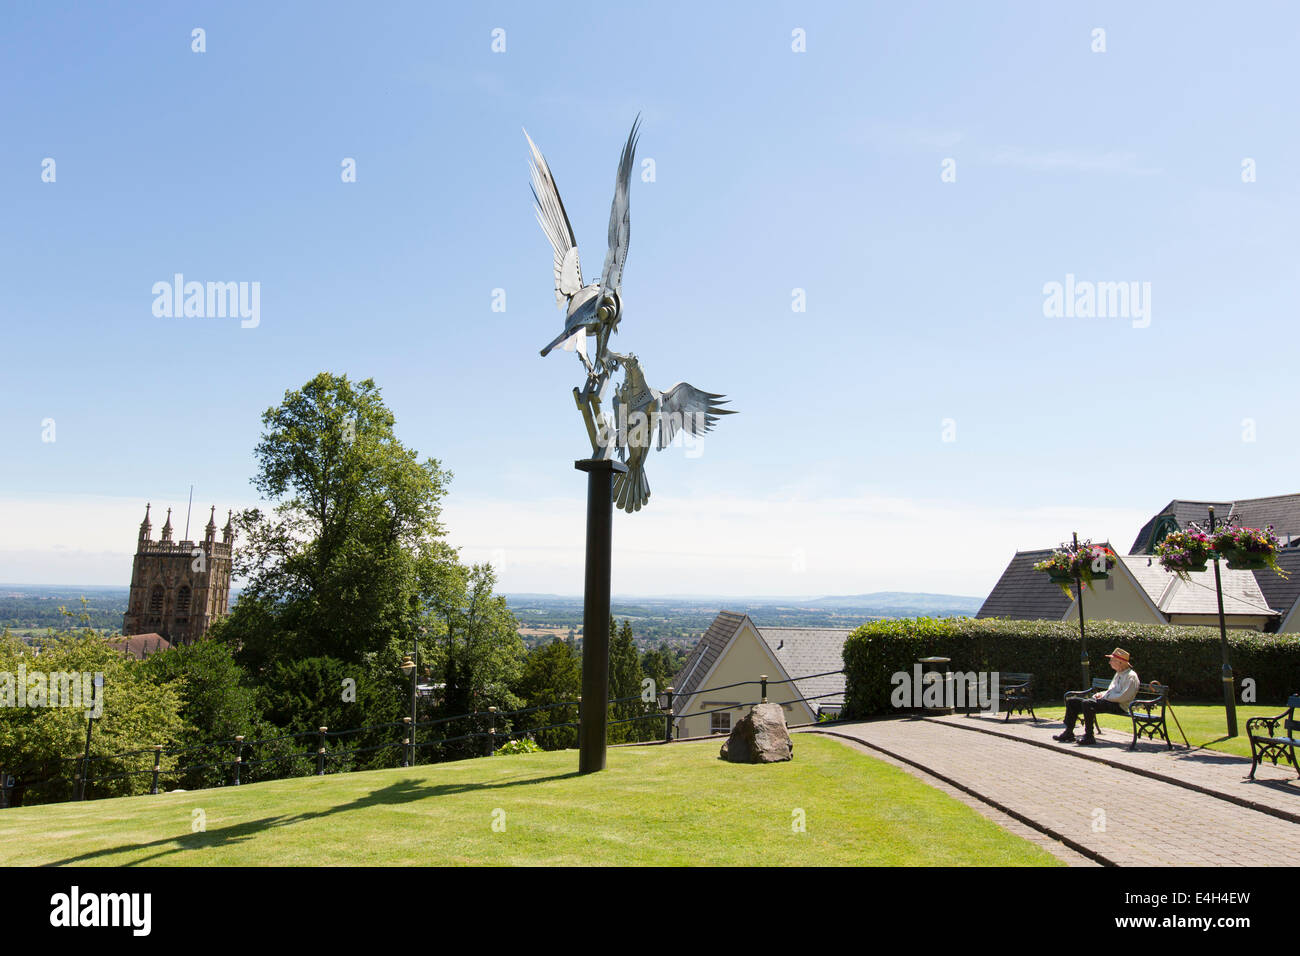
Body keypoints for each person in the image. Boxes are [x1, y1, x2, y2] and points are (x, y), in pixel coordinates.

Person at [1053, 648, 1139, 745]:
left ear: (1120, 662)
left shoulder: (1131, 676)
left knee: (1088, 703)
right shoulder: (1119, 674)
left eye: (1112, 660)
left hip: (1119, 706)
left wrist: (1105, 697)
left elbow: (1124, 696)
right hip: (1110, 702)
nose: (1109, 662)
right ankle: (1068, 732)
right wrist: (1101, 694)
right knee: (1072, 701)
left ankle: (1089, 736)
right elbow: (1111, 690)